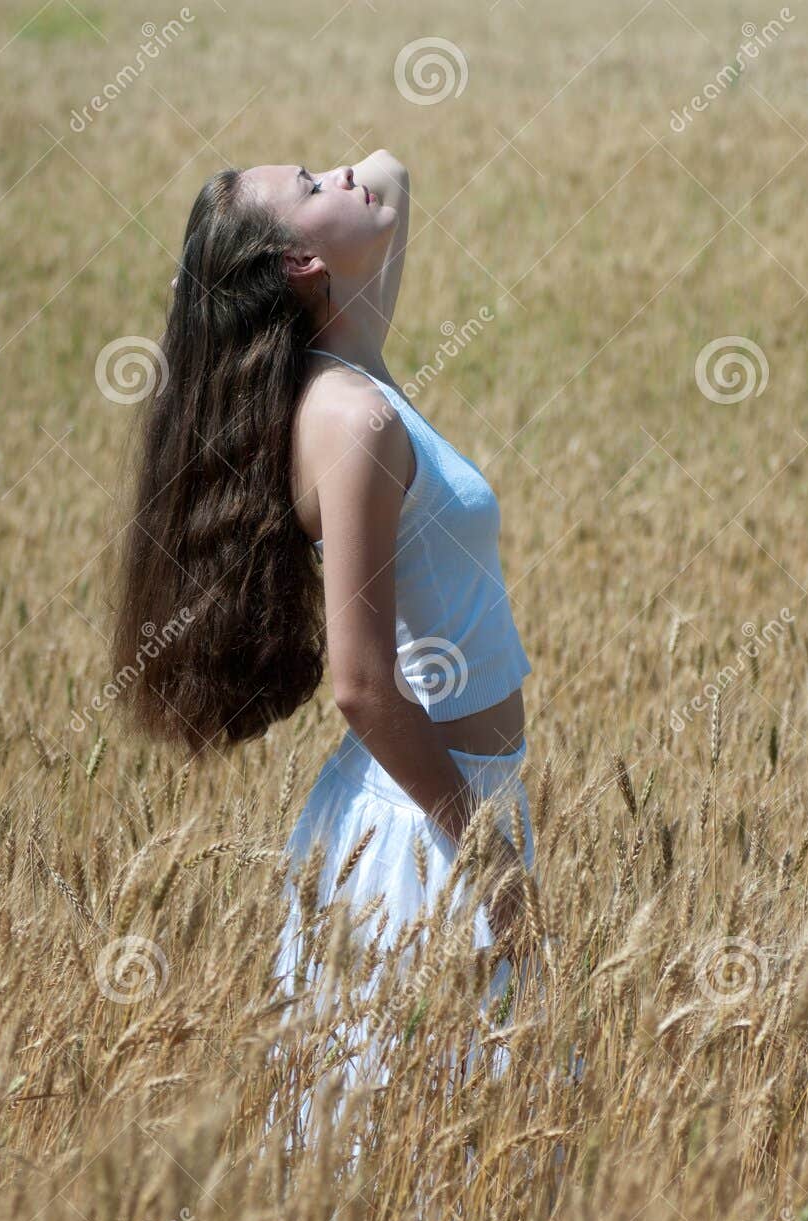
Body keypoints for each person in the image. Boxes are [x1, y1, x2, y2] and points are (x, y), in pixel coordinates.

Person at [111, 152, 536, 1111]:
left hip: (456, 801)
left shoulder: (351, 354)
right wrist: (484, 852)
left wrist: (305, 218)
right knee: (426, 1153)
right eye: (312, 183)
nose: (345, 171)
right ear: (300, 266)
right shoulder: (351, 417)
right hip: (424, 827)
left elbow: (392, 167)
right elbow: (362, 682)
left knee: (476, 1146)